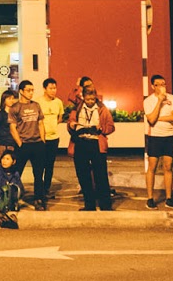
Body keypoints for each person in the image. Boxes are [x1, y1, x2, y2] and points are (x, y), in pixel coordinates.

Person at [67, 77, 116, 211]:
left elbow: (111, 126)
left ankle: (105, 204)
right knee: (83, 175)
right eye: (87, 99)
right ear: (83, 97)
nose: (90, 102)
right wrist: (72, 125)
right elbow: (70, 122)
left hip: (96, 143)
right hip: (81, 142)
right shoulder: (77, 107)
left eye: (92, 100)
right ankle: (89, 205)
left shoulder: (101, 108)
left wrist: (101, 129)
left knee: (101, 175)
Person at [142, 74, 173, 209]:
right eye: (158, 84)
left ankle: (169, 198)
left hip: (169, 136)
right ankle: (150, 198)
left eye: (163, 84)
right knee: (152, 167)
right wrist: (159, 101)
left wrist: (159, 118)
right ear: (153, 86)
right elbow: (151, 120)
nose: (162, 86)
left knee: (168, 167)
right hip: (154, 137)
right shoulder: (148, 101)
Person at [8, 80, 48, 209]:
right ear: (21, 91)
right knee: (17, 173)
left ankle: (39, 199)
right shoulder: (15, 108)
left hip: (37, 144)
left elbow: (41, 123)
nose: (31, 93)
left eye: (32, 90)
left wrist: (43, 140)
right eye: (28, 90)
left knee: (38, 174)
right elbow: (12, 127)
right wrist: (20, 143)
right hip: (23, 144)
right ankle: (13, 200)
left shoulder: (36, 105)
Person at [37, 77, 66, 205]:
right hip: (41, 138)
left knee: (50, 165)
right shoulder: (37, 102)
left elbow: (60, 117)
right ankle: (39, 190)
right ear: (44, 89)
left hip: (54, 138)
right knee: (40, 165)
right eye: (51, 88)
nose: (53, 90)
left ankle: (46, 188)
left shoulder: (58, 102)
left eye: (55, 88)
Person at [0, 89, 18, 158]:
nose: (12, 100)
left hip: (15, 143)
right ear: (4, 100)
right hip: (4, 143)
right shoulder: (1, 114)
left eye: (13, 98)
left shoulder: (16, 114)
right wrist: (2, 136)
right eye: (9, 98)